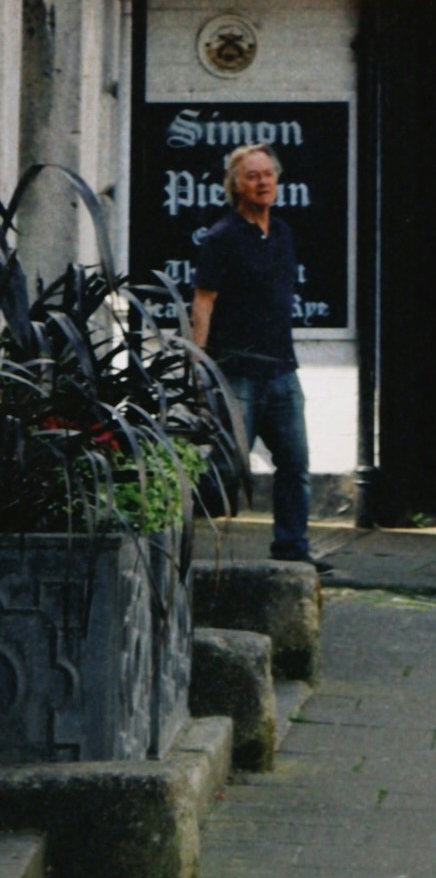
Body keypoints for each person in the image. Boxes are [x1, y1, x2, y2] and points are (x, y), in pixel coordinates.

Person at [189, 143, 314, 564]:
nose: (262, 182)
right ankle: (174, 529)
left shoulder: (283, 233)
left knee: (295, 465)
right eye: (252, 176)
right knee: (225, 469)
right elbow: (203, 302)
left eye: (268, 174)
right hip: (237, 372)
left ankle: (293, 549)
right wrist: (199, 365)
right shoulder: (220, 237)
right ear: (235, 185)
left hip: (282, 369)